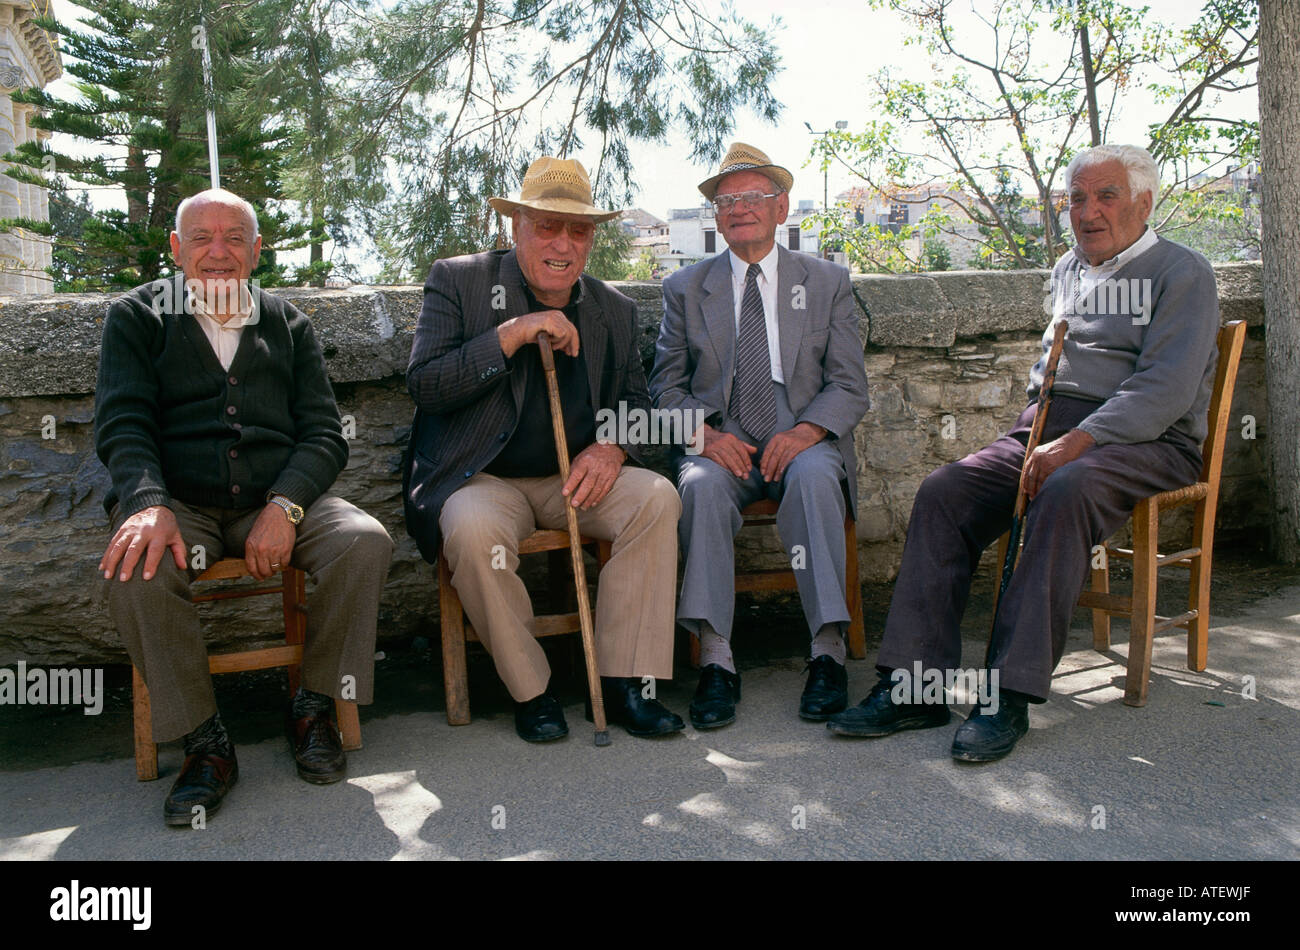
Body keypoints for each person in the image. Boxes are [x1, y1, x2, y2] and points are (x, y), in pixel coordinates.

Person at [828, 144, 1221, 762]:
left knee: (1065, 491)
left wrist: (1077, 442)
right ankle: (915, 685)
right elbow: (1049, 375)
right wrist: (1042, 430)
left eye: (1105, 196)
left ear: (1144, 203)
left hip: (1148, 438)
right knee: (945, 492)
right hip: (1047, 428)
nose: (1087, 212)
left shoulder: (1182, 272)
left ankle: (1006, 695)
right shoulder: (1069, 267)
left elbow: (1164, 390)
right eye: (1077, 198)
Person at [96, 188, 394, 826]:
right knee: (136, 566)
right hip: (183, 509)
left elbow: (323, 433)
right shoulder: (137, 318)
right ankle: (205, 744)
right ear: (176, 249)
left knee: (363, 541)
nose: (218, 252)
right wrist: (147, 503)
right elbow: (123, 425)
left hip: (277, 499)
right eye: (201, 238)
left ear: (257, 252)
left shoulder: (288, 323)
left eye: (234, 238)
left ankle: (314, 706)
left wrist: (285, 505)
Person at [403, 156, 686, 743]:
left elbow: (637, 404)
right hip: (482, 477)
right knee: (472, 529)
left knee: (656, 498)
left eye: (577, 230)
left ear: (591, 239)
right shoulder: (460, 281)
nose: (562, 243)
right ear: (516, 229)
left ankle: (624, 681)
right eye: (546, 226)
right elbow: (426, 385)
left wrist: (611, 446)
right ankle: (532, 689)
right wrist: (509, 334)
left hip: (574, 479)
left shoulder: (615, 309)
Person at [648, 143, 870, 730]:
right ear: (715, 217)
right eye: (727, 200)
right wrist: (701, 432)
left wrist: (805, 431)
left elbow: (849, 385)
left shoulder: (825, 282)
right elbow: (664, 388)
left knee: (819, 478)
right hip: (723, 434)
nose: (739, 208)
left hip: (801, 428)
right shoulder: (686, 288)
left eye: (753, 197)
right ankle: (717, 660)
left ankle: (826, 652)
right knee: (697, 486)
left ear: (782, 207)